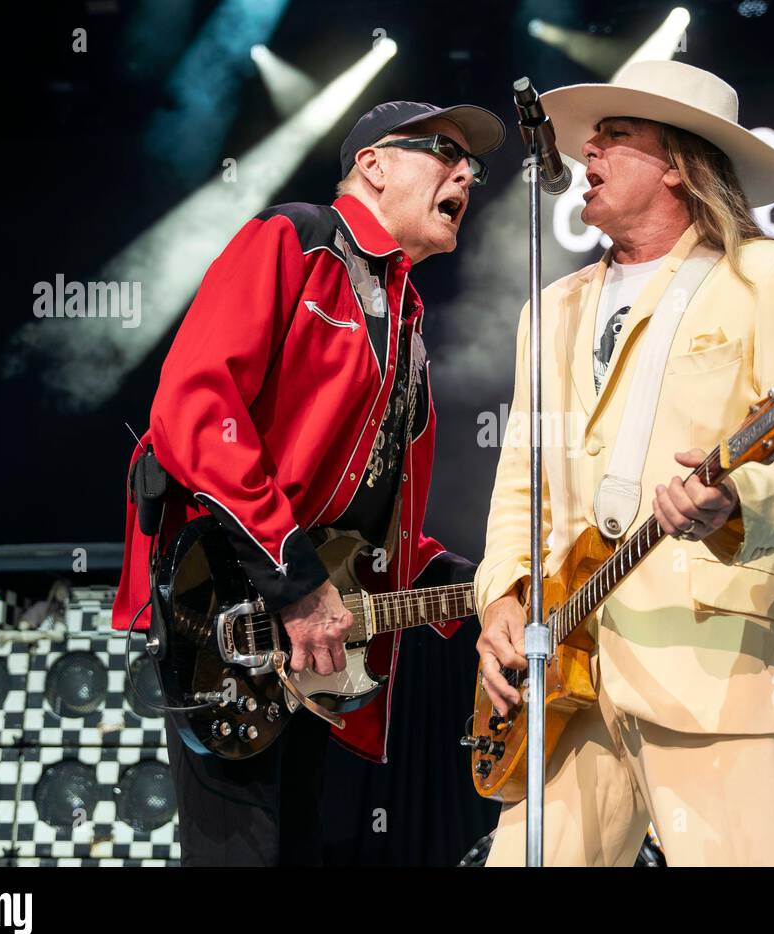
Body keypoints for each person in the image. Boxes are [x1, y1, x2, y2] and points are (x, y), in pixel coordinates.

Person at [473, 60, 774, 866]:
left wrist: (737, 500)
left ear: (678, 162)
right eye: (590, 140)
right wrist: (503, 597)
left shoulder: (766, 274)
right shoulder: (552, 306)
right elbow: (521, 476)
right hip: (566, 663)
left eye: (617, 136)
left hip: (713, 659)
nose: (589, 155)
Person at [111, 100, 505, 865]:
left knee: (296, 850)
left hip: (316, 634)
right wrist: (294, 584)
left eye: (475, 166)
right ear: (374, 166)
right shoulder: (295, 238)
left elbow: (377, 518)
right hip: (231, 598)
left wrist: (477, 580)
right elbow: (196, 410)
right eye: (444, 152)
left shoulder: (407, 314)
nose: (467, 174)